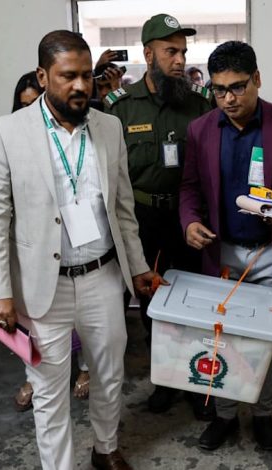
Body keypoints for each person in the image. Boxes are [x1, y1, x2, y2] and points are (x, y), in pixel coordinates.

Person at [0, 30, 163, 470]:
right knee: (48, 387)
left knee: (110, 372)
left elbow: (122, 207)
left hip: (103, 276)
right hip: (44, 286)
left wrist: (138, 266)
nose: (81, 86)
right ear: (43, 76)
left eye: (86, 75)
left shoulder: (109, 127)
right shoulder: (6, 132)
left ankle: (105, 447)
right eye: (68, 76)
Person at [179, 41, 272, 451]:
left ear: (257, 79)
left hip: (269, 252)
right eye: (219, 89)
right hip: (221, 252)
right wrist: (190, 221)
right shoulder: (201, 130)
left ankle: (263, 414)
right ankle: (225, 415)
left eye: (238, 87)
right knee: (221, 337)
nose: (228, 99)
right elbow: (189, 188)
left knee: (267, 340)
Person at [104, 13, 214, 419]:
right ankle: (166, 380)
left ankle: (199, 384)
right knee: (154, 303)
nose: (180, 60)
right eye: (171, 51)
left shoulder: (200, 104)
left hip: (189, 220)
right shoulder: (120, 108)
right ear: (148, 54)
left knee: (195, 302)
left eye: (183, 51)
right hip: (143, 219)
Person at [6, 72, 93, 412]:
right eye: (24, 106)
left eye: (36, 104)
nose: (32, 112)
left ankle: (84, 368)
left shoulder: (75, 136)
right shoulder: (11, 140)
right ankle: (34, 375)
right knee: (34, 321)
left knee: (81, 317)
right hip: (32, 247)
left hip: (76, 241)